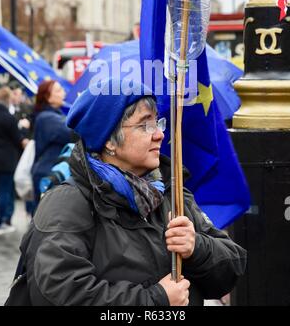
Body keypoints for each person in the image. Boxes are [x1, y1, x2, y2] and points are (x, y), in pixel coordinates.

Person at [13, 79, 247, 306]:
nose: (160, 135)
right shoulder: (68, 203)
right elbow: (58, 292)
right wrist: (156, 300)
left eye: (158, 123)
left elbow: (233, 267)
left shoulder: (170, 193)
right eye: (146, 125)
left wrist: (196, 247)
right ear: (109, 141)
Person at [31, 80, 73, 205]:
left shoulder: (57, 115)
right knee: (44, 219)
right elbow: (73, 133)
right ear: (47, 97)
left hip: (55, 171)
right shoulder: (47, 117)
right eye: (58, 90)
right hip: (48, 173)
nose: (63, 93)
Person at [0, 86, 28, 235]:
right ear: (8, 100)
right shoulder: (9, 118)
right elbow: (18, 139)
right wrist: (24, 129)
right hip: (7, 161)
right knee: (4, 192)